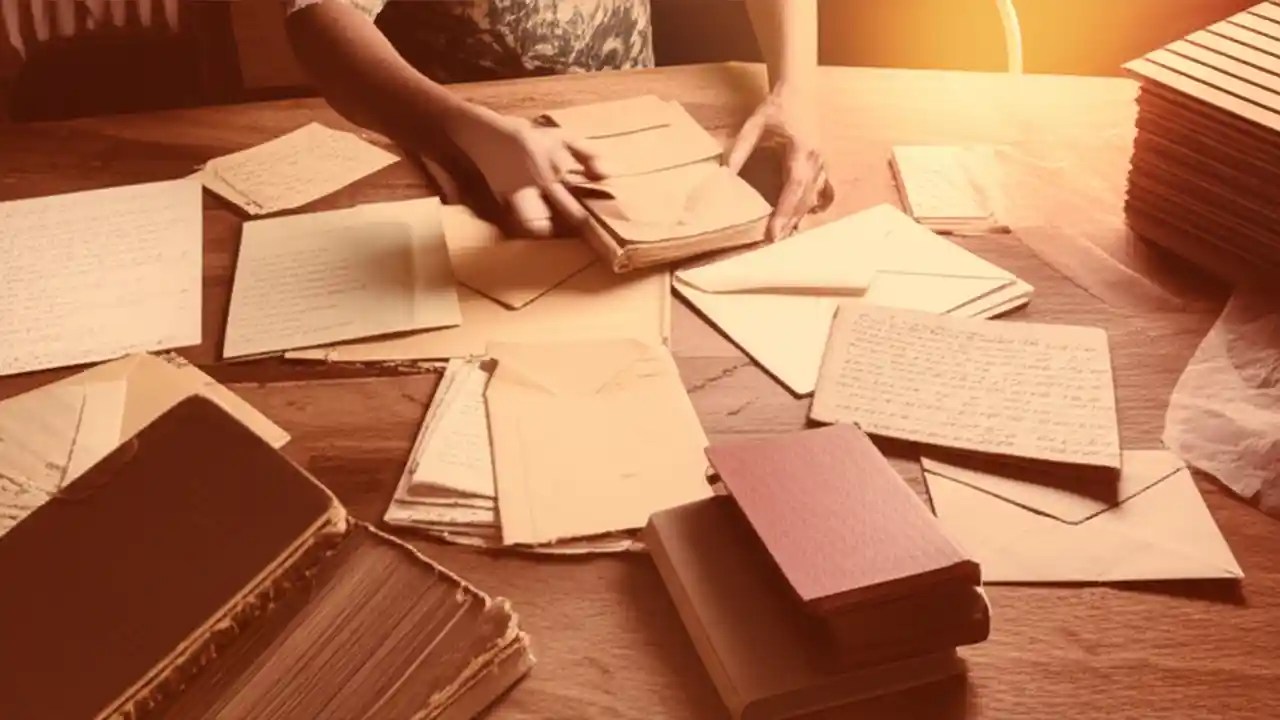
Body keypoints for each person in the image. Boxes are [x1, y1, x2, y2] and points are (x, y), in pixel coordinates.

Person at [285, 0, 833, 242]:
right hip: (454, 146)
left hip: (637, 142)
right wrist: (459, 129)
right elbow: (317, 19)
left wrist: (795, 88)